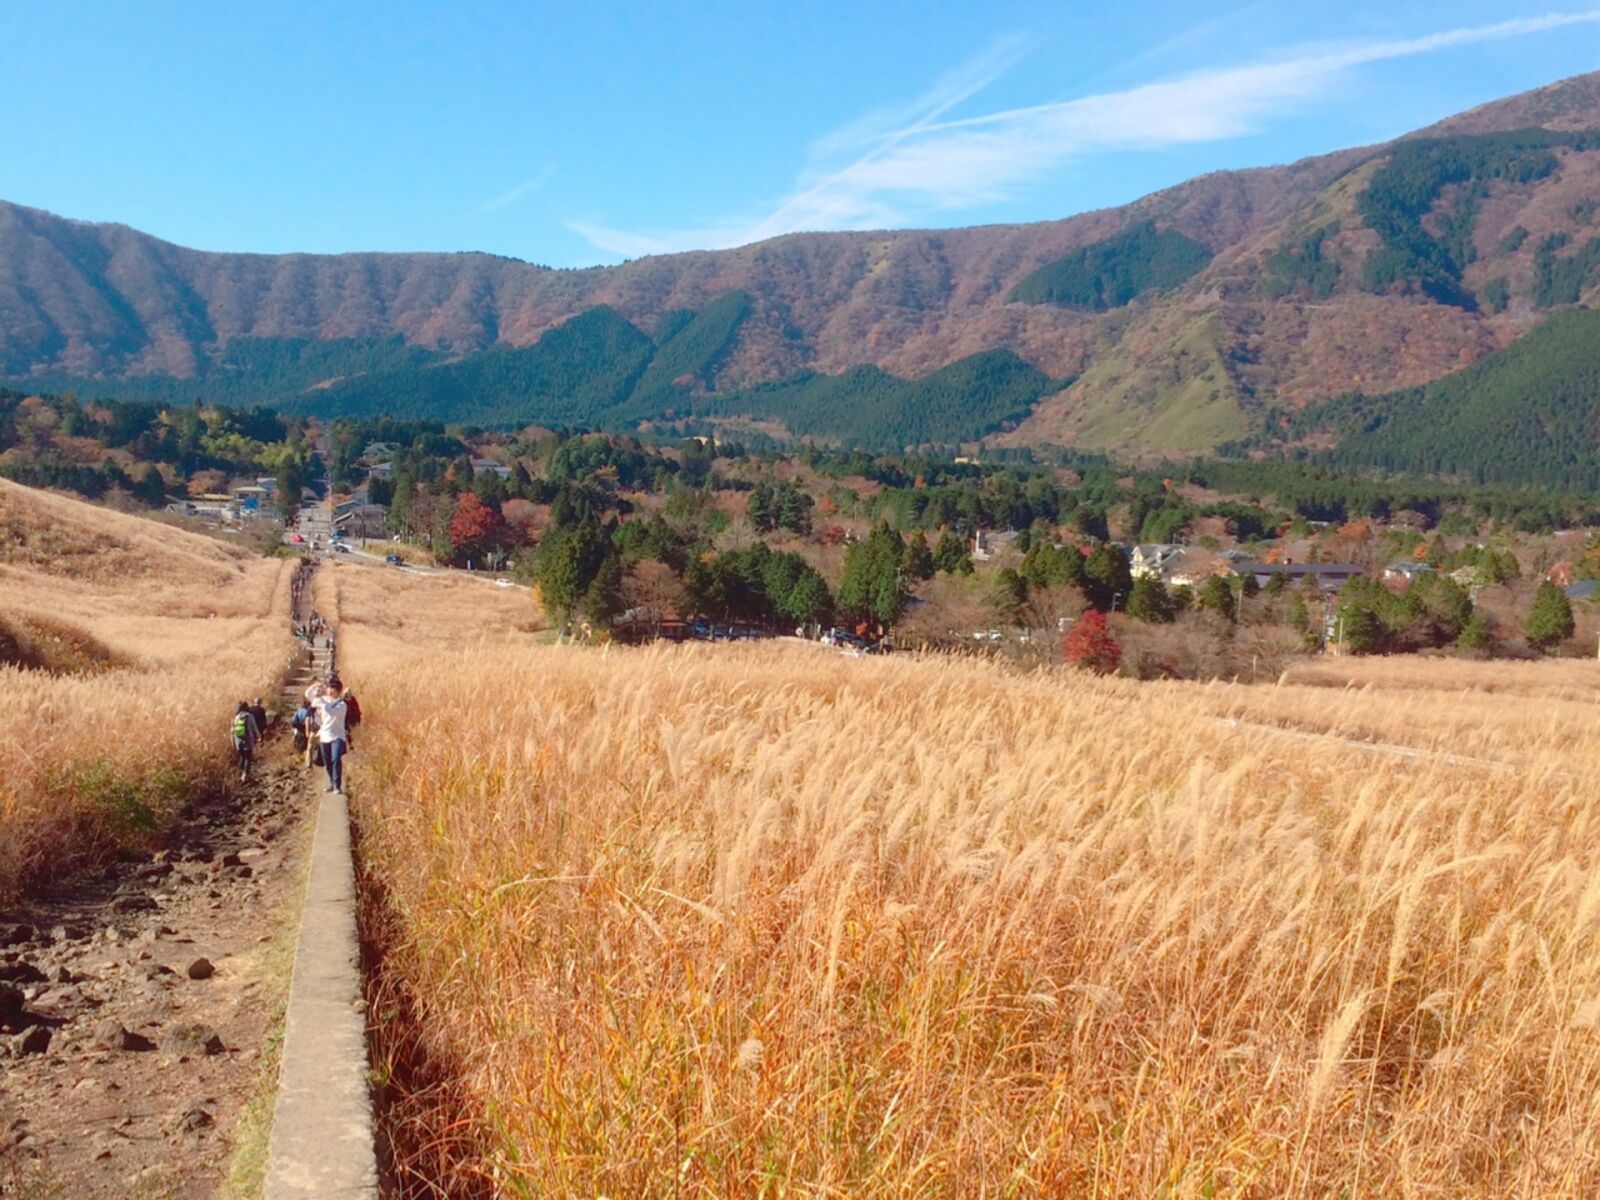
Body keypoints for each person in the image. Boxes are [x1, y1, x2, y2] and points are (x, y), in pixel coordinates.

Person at [313, 676, 350, 795]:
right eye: (329, 688)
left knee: (336, 759)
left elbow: (330, 711)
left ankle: (337, 786)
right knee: (327, 761)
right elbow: (311, 698)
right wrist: (317, 686)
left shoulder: (342, 704)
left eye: (333, 689)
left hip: (337, 736)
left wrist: (322, 702)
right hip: (324, 736)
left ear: (338, 691)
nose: (330, 691)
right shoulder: (324, 700)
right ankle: (331, 782)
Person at [231, 700, 261, 783]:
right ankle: (245, 775)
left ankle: (239, 775)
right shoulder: (249, 716)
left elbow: (232, 731)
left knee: (242, 757)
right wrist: (259, 736)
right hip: (248, 739)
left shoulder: (236, 717)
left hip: (238, 740)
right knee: (248, 757)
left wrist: (233, 742)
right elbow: (254, 727)